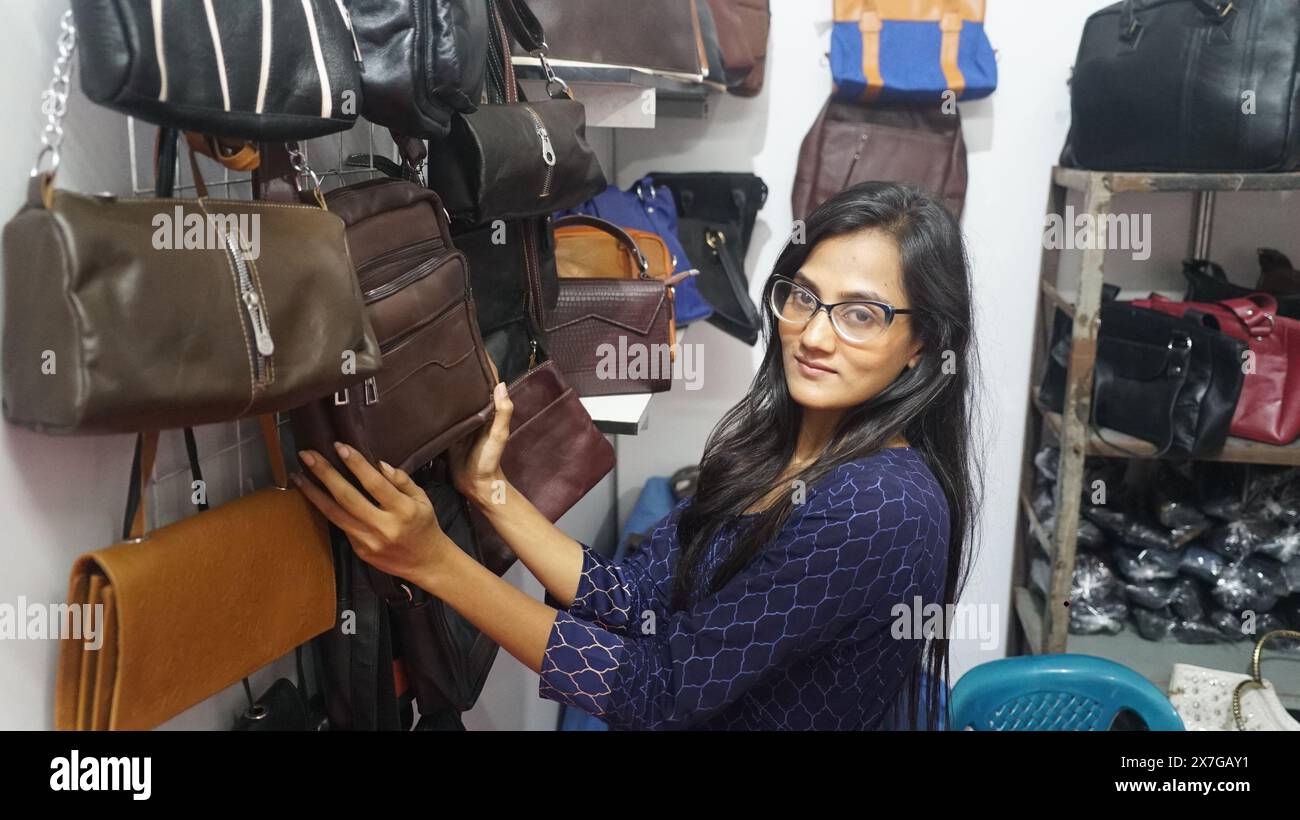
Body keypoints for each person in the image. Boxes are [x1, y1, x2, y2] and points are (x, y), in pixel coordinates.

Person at [293, 181, 980, 730]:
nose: (813, 335)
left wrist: (435, 564)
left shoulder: (880, 506)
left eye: (861, 314)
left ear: (922, 343)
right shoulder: (776, 446)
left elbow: (660, 693)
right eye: (804, 297)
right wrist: (488, 490)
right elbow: (636, 595)